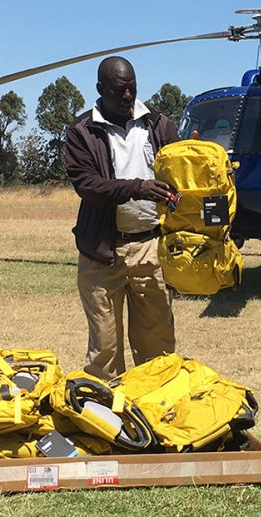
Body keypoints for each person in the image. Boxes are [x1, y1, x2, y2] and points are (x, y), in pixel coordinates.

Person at [65, 56, 180, 381]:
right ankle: (109, 424)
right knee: (105, 352)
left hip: (151, 249)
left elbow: (179, 177)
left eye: (132, 88)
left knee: (158, 350)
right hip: (103, 254)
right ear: (101, 89)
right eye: (119, 90)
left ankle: (156, 417)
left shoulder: (157, 124)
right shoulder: (82, 131)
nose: (127, 96)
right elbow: (88, 185)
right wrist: (138, 188)